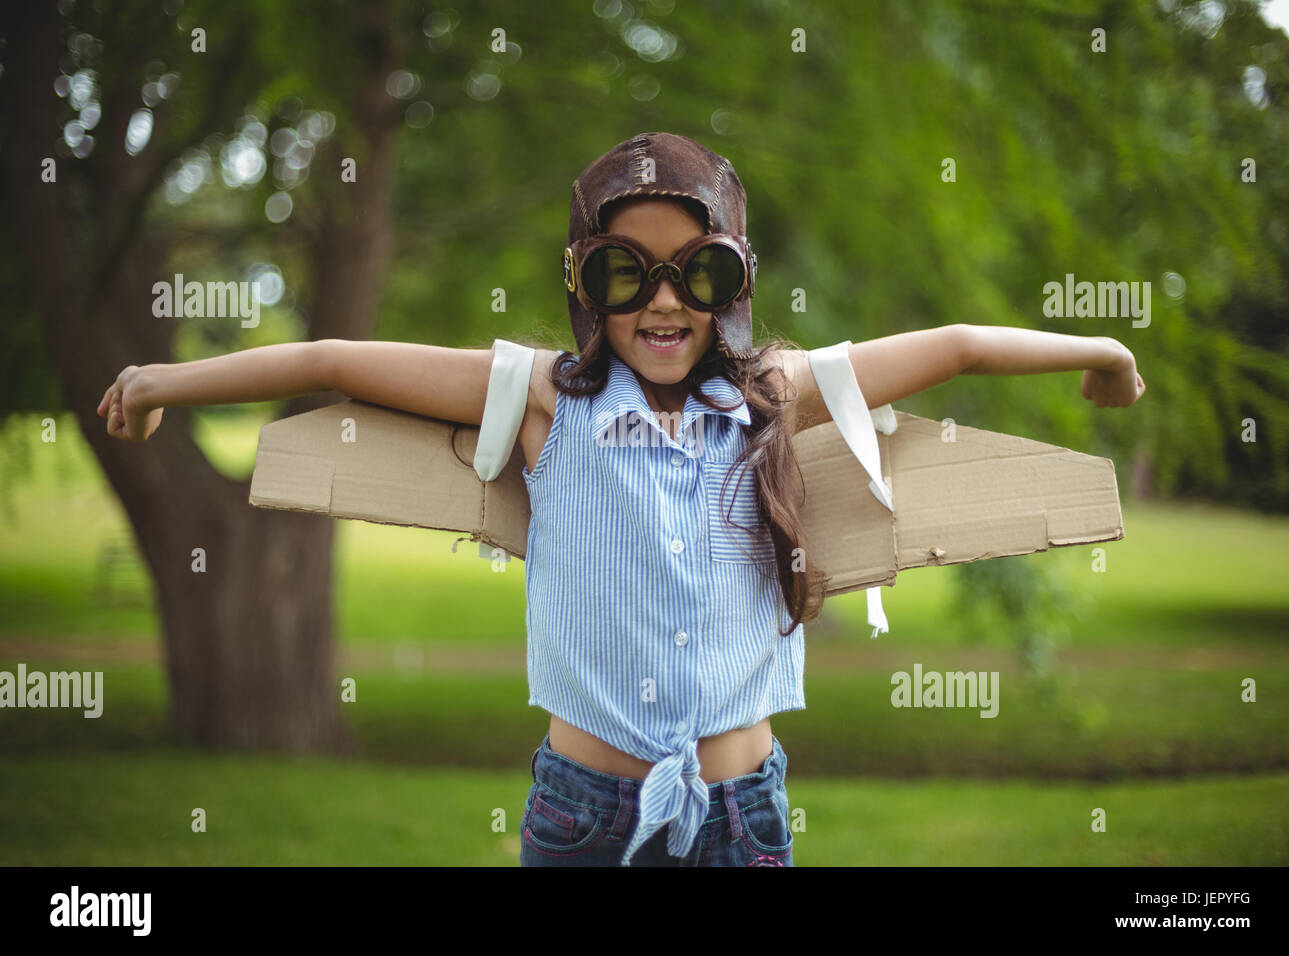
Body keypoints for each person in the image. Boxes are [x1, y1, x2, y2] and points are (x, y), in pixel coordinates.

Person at [97, 131, 1145, 867]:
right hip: (583, 811)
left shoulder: (776, 396)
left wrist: (1102, 350)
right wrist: (160, 380)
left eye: (695, 273)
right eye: (623, 272)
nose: (659, 301)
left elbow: (957, 343)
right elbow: (337, 357)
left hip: (743, 813)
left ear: (732, 288)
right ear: (581, 284)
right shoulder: (547, 405)